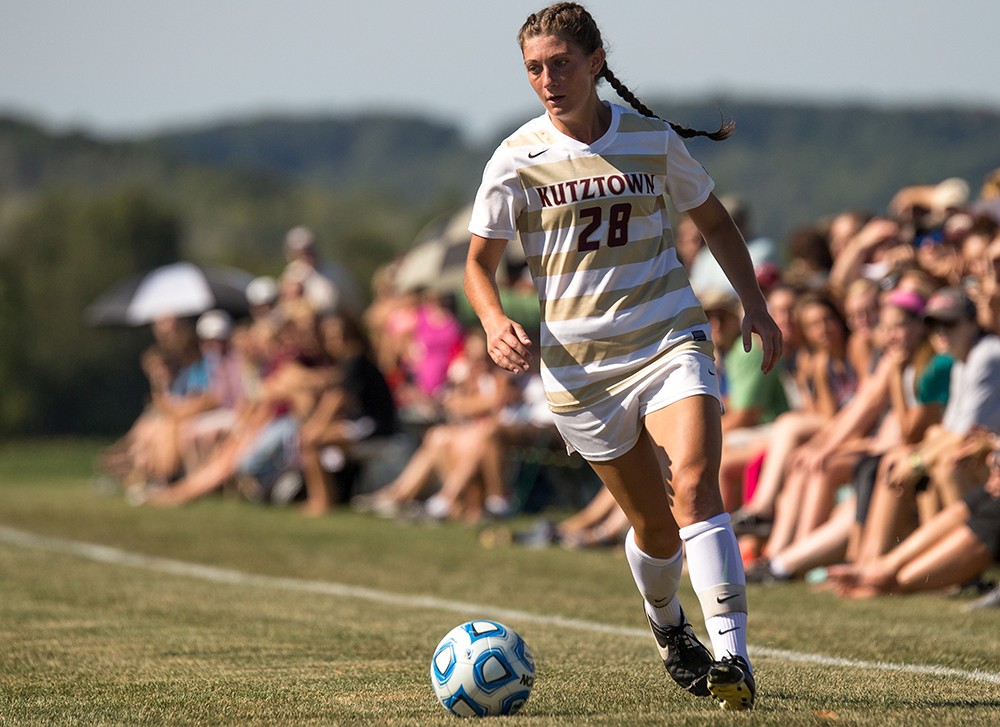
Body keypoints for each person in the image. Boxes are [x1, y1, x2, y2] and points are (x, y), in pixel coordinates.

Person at [462, 3, 782, 711]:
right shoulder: (516, 157)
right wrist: (492, 321)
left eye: (561, 64)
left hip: (669, 337)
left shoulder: (651, 139)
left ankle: (733, 655)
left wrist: (754, 303)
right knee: (656, 530)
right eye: (535, 69)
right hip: (582, 371)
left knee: (695, 484)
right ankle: (668, 623)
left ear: (596, 62)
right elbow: (477, 266)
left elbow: (714, 221)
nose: (548, 80)